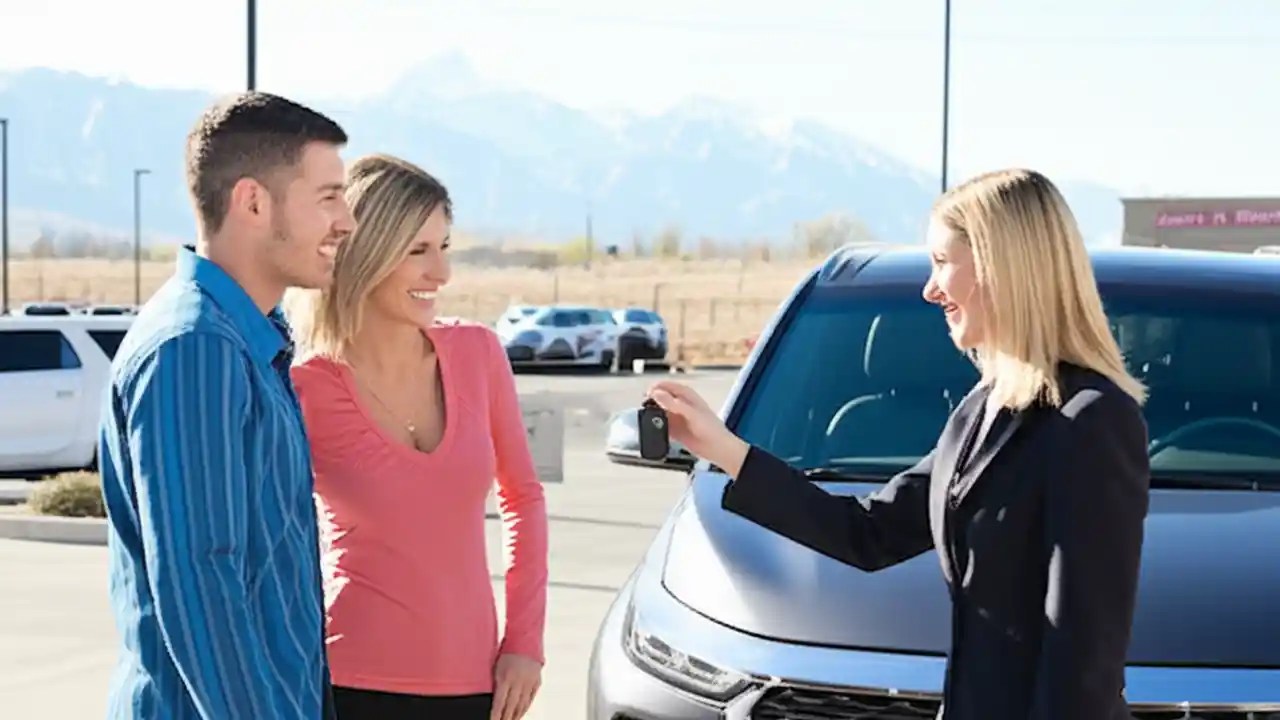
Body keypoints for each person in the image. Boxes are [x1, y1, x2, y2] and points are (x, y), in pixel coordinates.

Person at [646, 168, 1152, 720]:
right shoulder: (981, 410)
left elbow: (1082, 659)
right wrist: (723, 449)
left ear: (1001, 265)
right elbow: (869, 533)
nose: (930, 289)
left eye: (941, 262)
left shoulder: (1093, 421)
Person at [98, 91, 355, 719]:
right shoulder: (194, 348)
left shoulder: (246, 339)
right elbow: (200, 584)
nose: (346, 220)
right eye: (328, 197)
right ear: (253, 202)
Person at [283, 153, 549, 720]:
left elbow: (523, 497)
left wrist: (525, 643)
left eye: (444, 247)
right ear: (365, 254)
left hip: (476, 684)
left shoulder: (478, 354)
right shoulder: (304, 386)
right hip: (345, 683)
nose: (442, 273)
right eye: (418, 251)